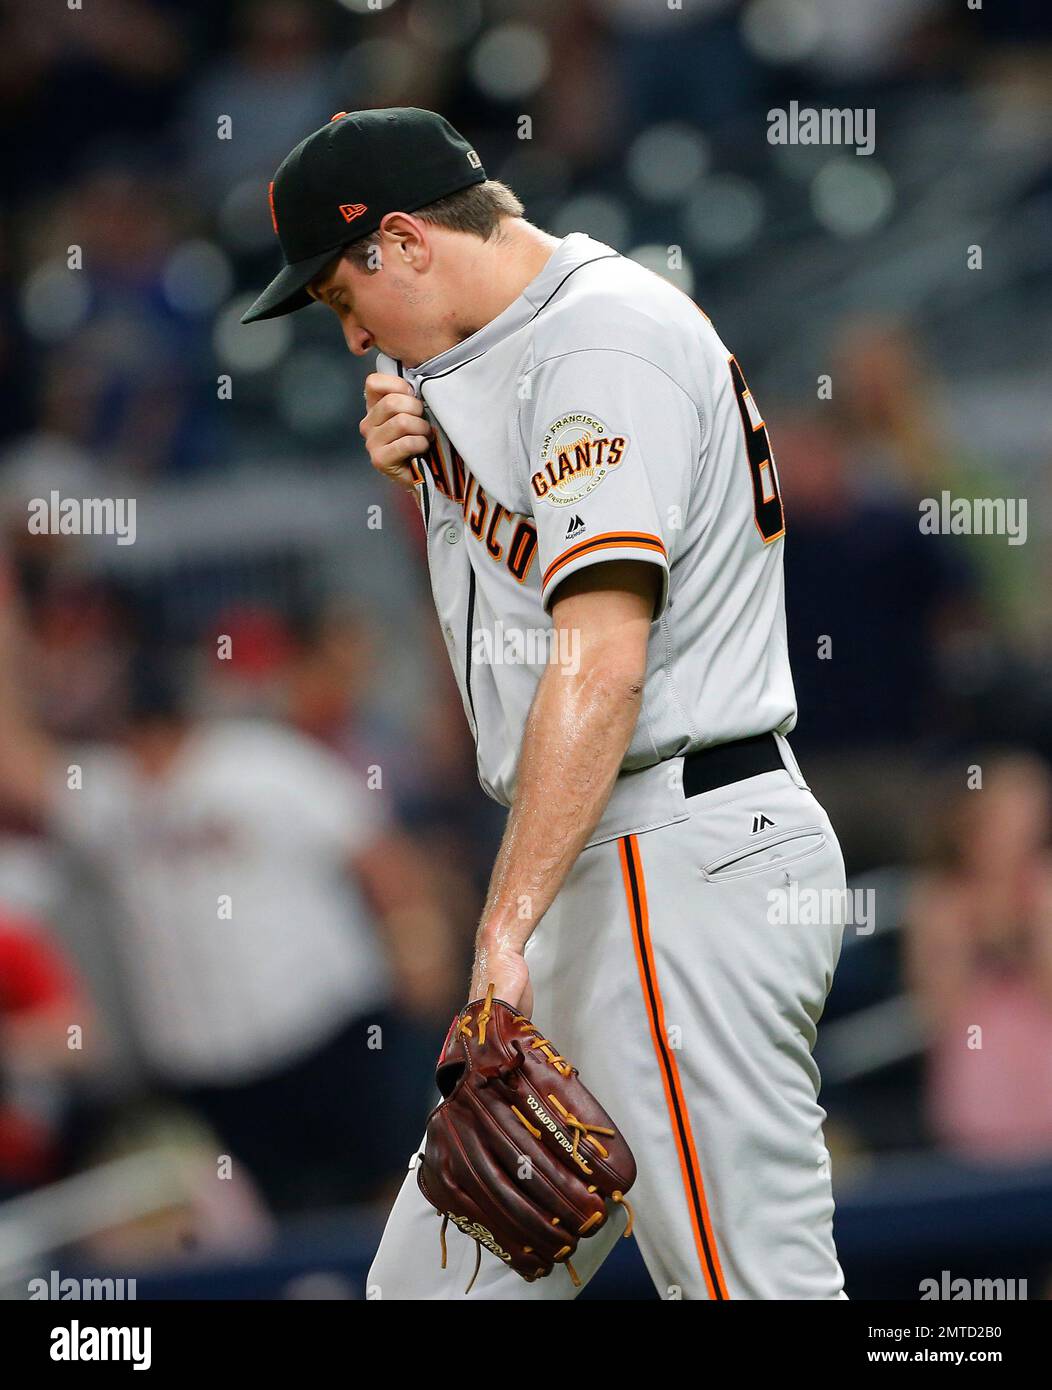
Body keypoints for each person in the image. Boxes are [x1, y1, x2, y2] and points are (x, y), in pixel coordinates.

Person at [243, 108, 849, 1298]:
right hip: (597, 853)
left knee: (750, 1287)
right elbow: (542, 623)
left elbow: (603, 660)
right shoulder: (511, 358)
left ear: (406, 241)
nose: (349, 327)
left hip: (667, 855)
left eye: (339, 293)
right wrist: (435, 489)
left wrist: (501, 928)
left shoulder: (596, 341)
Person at [0, 602, 459, 1213]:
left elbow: (381, 861)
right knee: (290, 1221)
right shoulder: (110, 794)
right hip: (216, 1074)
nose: (149, 751)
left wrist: (420, 953)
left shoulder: (262, 764)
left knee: (401, 1194)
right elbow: (20, 768)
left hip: (330, 1033)